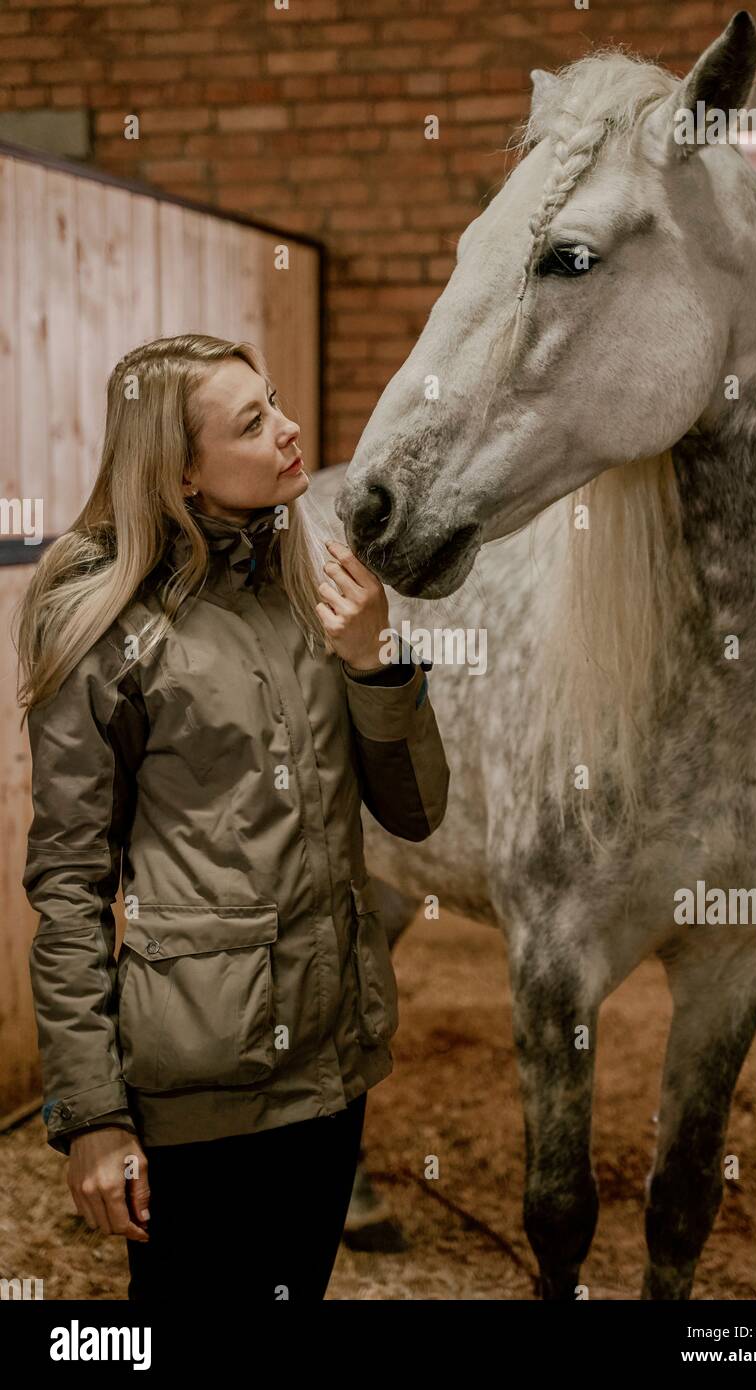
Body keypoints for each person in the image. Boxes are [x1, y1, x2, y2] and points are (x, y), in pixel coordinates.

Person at [15, 333, 450, 1301]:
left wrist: (374, 665)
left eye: (278, 402)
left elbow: (415, 811)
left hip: (331, 1056)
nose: (291, 431)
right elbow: (70, 886)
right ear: (177, 473)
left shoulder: (309, 585)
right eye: (252, 422)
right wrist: (92, 1115)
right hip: (198, 1084)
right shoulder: (102, 624)